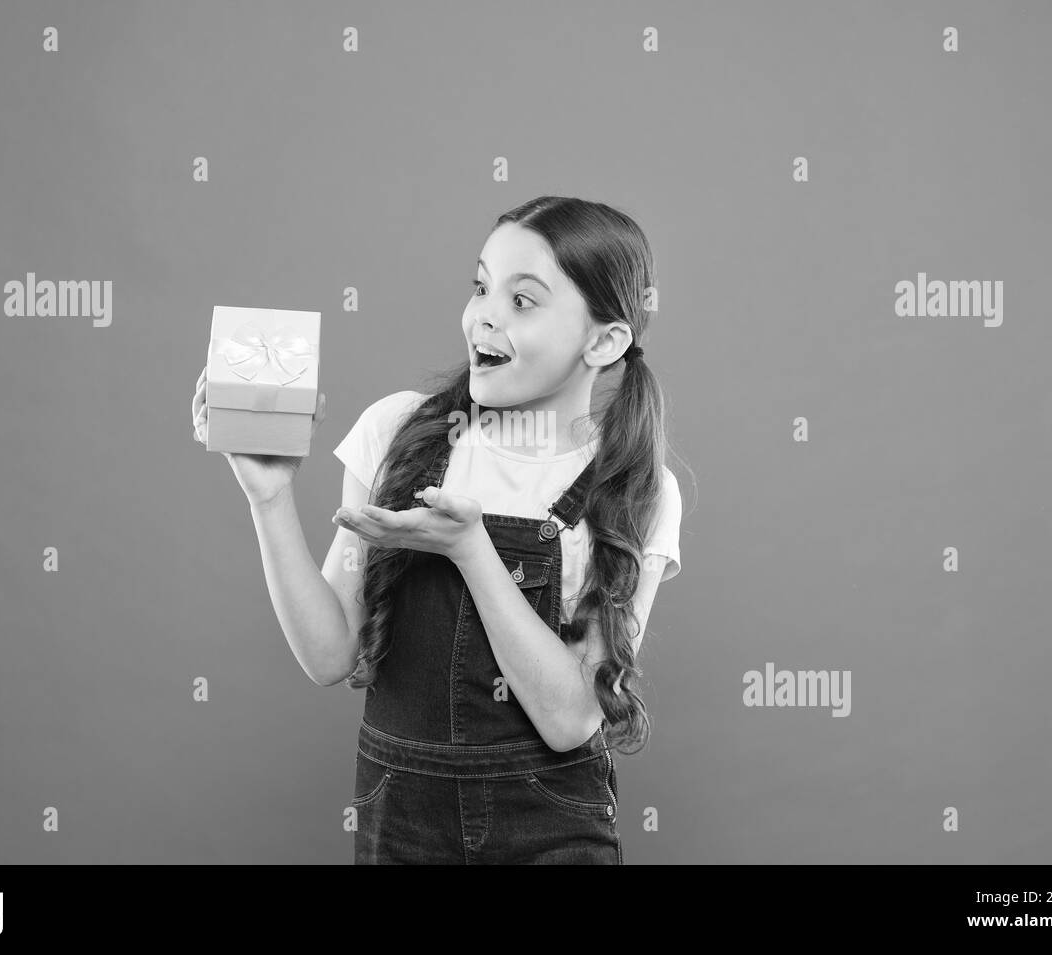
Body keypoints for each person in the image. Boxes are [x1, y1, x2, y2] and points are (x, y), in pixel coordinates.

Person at [191, 196, 684, 864]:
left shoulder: (633, 486)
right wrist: (269, 495)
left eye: (523, 300)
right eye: (481, 286)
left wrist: (471, 550)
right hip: (401, 819)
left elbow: (571, 718)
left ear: (603, 340)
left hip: (550, 824)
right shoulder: (400, 431)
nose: (483, 313)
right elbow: (329, 655)